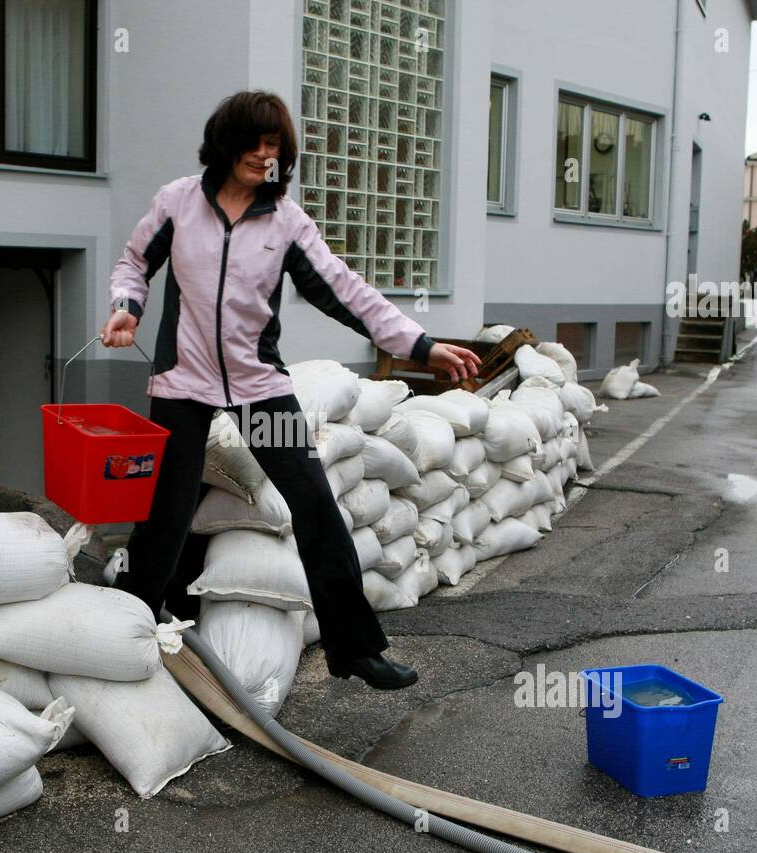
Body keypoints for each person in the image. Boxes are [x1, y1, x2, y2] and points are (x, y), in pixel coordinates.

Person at [100, 90, 480, 690]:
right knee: (164, 515)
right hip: (183, 384)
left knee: (314, 504)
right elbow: (131, 263)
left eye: (274, 145)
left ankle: (355, 648)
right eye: (253, 142)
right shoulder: (177, 203)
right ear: (225, 144)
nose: (263, 154)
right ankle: (133, 629)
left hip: (259, 386)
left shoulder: (286, 223)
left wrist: (420, 344)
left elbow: (346, 291)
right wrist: (127, 307)